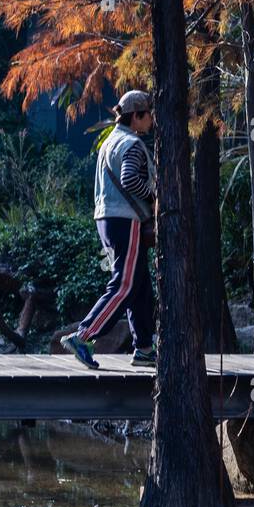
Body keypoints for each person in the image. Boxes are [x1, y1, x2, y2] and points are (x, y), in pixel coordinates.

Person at [61, 90, 157, 370]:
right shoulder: (132, 144)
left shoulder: (109, 142)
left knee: (139, 287)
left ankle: (144, 349)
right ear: (137, 116)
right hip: (126, 220)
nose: (151, 119)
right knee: (125, 284)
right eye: (148, 114)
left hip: (106, 219)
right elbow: (129, 179)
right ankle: (83, 335)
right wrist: (153, 196)